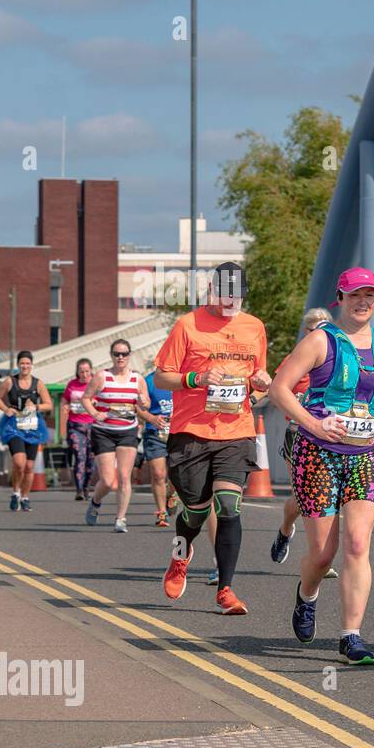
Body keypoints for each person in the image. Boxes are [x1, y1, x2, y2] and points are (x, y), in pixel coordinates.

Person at [271, 268, 374, 666]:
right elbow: (280, 388)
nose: (363, 302)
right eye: (354, 295)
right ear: (340, 299)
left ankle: (350, 636)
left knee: (358, 544)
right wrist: (314, 423)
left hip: (367, 452)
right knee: (324, 553)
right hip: (319, 452)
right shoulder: (320, 341)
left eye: (370, 296)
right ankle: (306, 596)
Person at [154, 262, 271, 615]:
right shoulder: (187, 325)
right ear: (211, 290)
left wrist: (260, 385)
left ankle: (226, 589)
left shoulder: (254, 327)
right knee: (195, 511)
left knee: (229, 506)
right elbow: (162, 377)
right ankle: (180, 556)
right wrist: (197, 379)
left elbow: (259, 375)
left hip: (236, 431)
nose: (230, 300)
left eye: (236, 294)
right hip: (191, 433)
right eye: (224, 293)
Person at [270, 306, 339, 579]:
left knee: (331, 497)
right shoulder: (297, 356)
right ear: (306, 332)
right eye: (315, 329)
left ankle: (323, 556)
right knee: (305, 497)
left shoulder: (341, 356)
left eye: (326, 328)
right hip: (300, 433)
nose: (321, 334)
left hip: (334, 436)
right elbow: (278, 388)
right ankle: (286, 529)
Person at [80, 341, 149, 531]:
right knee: (109, 481)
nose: (120, 357)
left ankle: (120, 519)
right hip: (103, 431)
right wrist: (95, 413)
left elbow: (146, 404)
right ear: (111, 355)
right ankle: (95, 502)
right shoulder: (102, 376)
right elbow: (85, 398)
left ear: (129, 355)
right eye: (117, 354)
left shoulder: (137, 379)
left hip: (127, 431)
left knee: (125, 477)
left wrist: (144, 401)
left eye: (124, 354)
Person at [0, 350, 53, 512]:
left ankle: (25, 497)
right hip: (14, 425)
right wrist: (6, 409)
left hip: (32, 425)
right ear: (18, 365)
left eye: (27, 363)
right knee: (19, 463)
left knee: (30, 466)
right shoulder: (10, 381)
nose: (25, 366)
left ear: (32, 365)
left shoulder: (38, 383)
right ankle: (15, 493)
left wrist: (36, 406)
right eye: (22, 363)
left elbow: (49, 404)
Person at [139, 367, 176, 527]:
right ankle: (161, 513)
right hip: (156, 433)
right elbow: (138, 407)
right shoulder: (148, 380)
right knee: (159, 474)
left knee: (178, 475)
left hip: (179, 432)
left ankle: (171, 493)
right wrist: (151, 418)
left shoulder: (180, 378)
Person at [61, 358, 97, 500]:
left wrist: (96, 403)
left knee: (91, 461)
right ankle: (79, 490)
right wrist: (65, 405)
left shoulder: (96, 384)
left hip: (93, 426)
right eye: (81, 371)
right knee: (80, 456)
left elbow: (104, 400)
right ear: (77, 372)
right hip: (75, 425)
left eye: (87, 371)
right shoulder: (72, 384)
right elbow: (65, 399)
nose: (84, 374)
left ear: (91, 371)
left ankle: (87, 487)